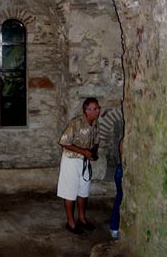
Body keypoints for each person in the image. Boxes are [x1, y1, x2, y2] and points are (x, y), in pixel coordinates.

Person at [57, 98, 100, 234]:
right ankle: (71, 223)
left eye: (98, 108)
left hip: (84, 161)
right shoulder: (76, 123)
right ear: (86, 110)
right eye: (94, 109)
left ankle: (82, 219)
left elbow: (96, 141)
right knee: (70, 193)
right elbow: (63, 142)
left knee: (83, 191)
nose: (97, 111)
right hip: (71, 161)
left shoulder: (95, 123)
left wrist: (93, 152)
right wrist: (84, 152)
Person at [95, 107, 125, 239]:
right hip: (122, 169)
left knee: (120, 198)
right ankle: (114, 227)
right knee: (120, 198)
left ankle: (115, 227)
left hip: (121, 168)